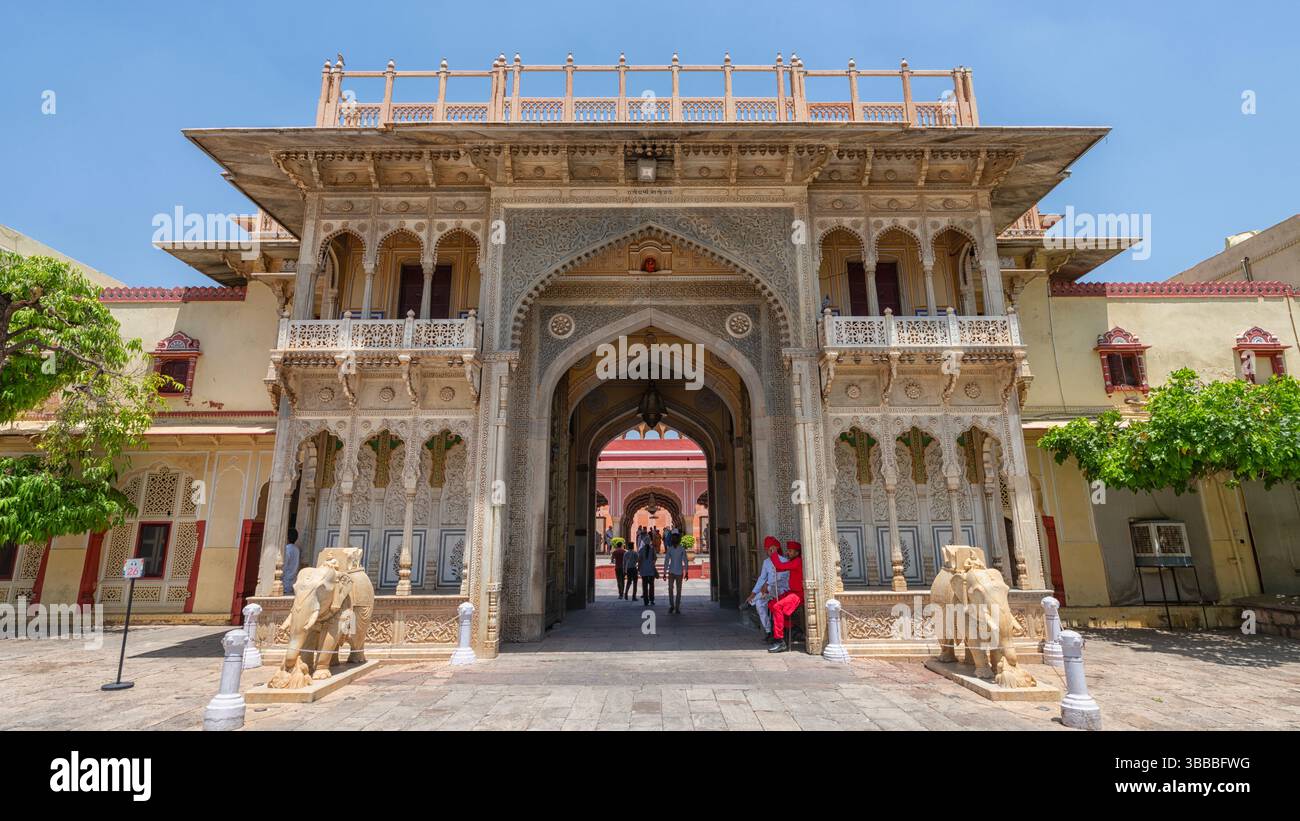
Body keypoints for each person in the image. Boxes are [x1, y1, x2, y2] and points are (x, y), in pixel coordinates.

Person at [745, 536, 789, 642]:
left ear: (776, 548)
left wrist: (767, 584)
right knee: (760, 604)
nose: (768, 551)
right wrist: (753, 593)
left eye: (770, 548)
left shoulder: (784, 561)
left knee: (768, 587)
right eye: (767, 549)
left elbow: (780, 578)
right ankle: (768, 630)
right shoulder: (766, 562)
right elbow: (761, 578)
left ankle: (749, 603)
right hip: (768, 592)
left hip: (782, 590)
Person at [766, 540, 804, 653]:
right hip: (792, 592)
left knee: (777, 606)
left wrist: (774, 554)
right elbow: (779, 567)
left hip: (798, 594)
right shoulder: (794, 561)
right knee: (771, 604)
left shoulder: (797, 561)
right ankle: (792, 628)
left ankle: (780, 640)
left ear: (797, 553)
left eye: (790, 551)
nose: (788, 553)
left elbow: (779, 566)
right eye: (788, 550)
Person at [663, 533, 688, 613]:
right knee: (670, 589)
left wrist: (686, 572)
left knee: (679, 590)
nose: (674, 540)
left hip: (679, 572)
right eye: (673, 538)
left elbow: (685, 561)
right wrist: (664, 572)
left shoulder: (682, 549)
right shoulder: (670, 549)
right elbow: (666, 561)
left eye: (675, 538)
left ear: (678, 539)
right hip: (671, 572)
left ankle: (677, 607)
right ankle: (672, 605)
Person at [639, 535, 658, 606]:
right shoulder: (652, 549)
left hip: (644, 570)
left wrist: (639, 568)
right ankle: (652, 599)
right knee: (651, 585)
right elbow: (655, 558)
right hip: (651, 569)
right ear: (650, 542)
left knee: (644, 586)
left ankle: (646, 601)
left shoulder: (641, 550)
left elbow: (639, 560)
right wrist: (652, 563)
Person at [282, 529, 301, 595]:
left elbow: (283, 566)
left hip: (285, 582)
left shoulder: (287, 549)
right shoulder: (297, 549)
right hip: (293, 581)